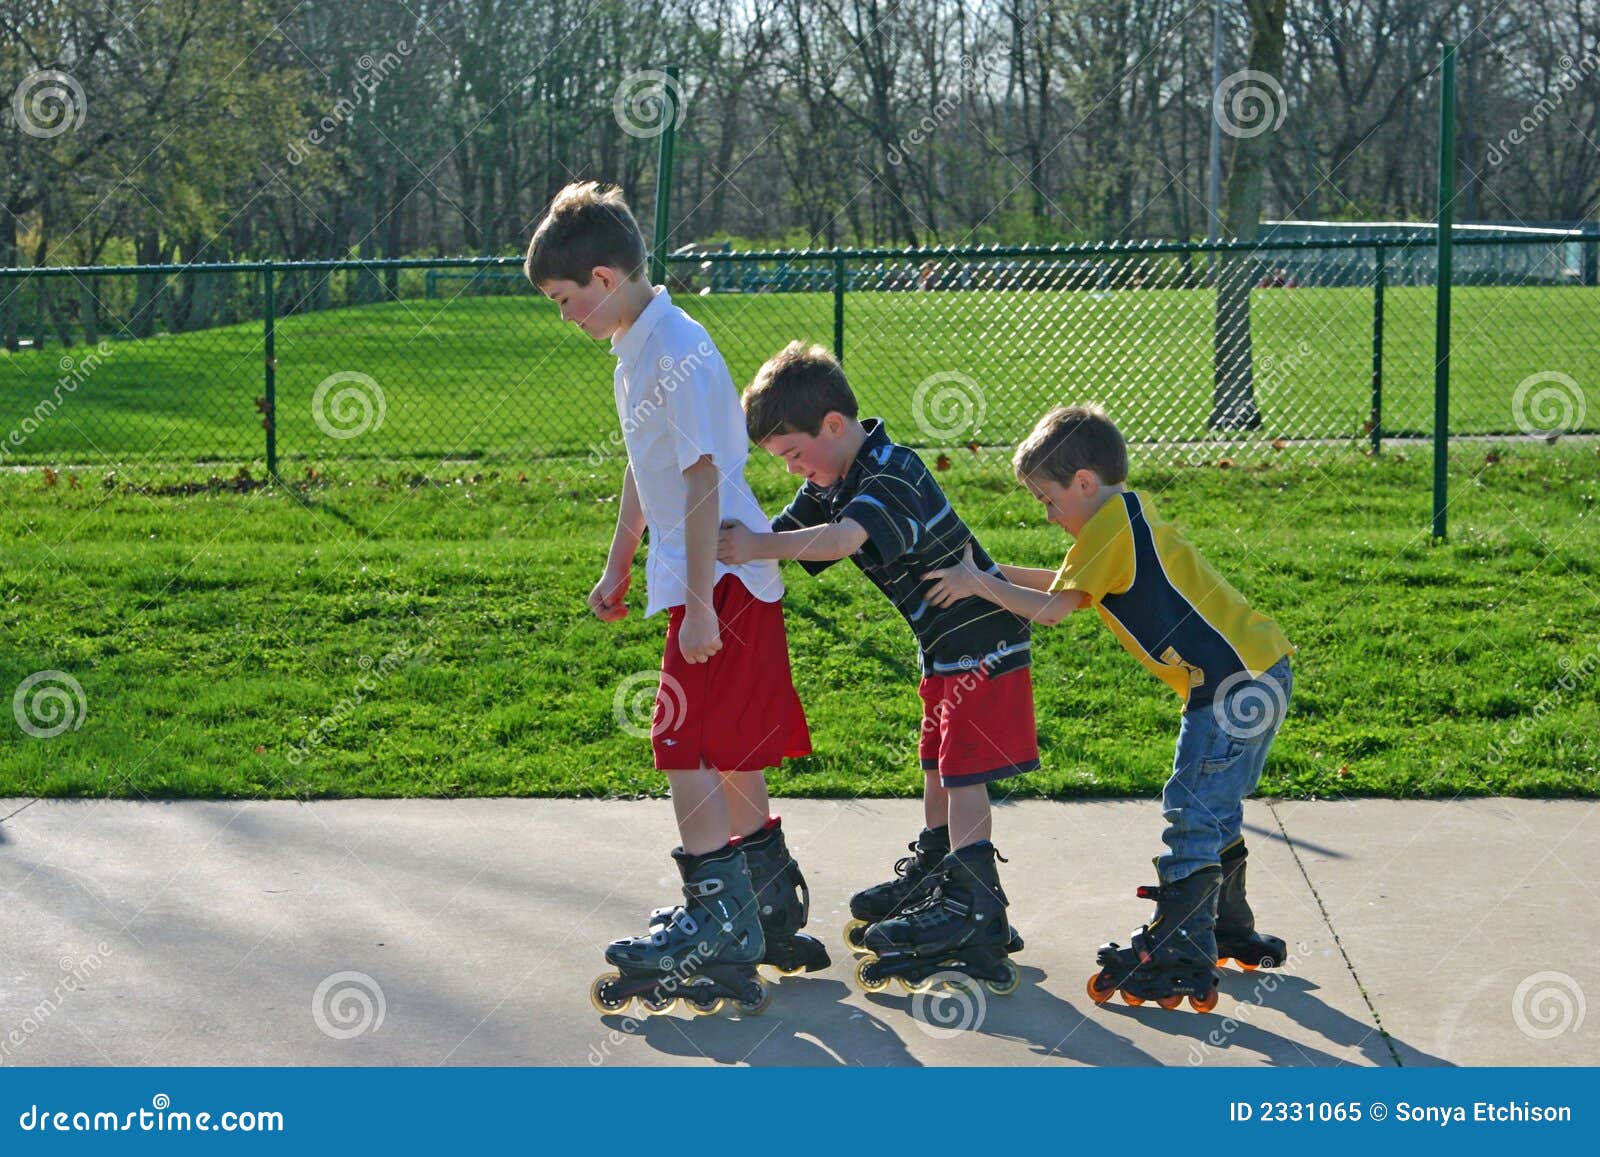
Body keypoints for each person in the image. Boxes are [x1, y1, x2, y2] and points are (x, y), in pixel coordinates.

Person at [525, 182, 825, 1018]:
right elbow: (645, 465)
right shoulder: (641, 346)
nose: (564, 316)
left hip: (718, 582)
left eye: (565, 299)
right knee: (725, 745)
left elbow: (698, 476)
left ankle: (716, 926)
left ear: (606, 274)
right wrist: (619, 560)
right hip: (709, 581)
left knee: (682, 742)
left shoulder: (675, 348)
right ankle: (762, 901)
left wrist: (695, 601)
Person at [920, 404, 1294, 1011]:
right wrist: (984, 571)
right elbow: (1063, 584)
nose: (1048, 513)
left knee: (1192, 811)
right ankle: (1224, 925)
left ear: (1085, 483)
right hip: (1257, 673)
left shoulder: (1109, 531)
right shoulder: (1121, 519)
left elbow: (1056, 609)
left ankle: (1179, 948)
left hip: (1230, 687)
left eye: (1048, 499)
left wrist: (977, 585)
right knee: (1215, 809)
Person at [718, 341, 1031, 996]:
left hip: (982, 639)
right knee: (937, 761)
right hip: (942, 644)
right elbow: (782, 537)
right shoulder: (833, 478)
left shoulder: (890, 471)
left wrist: (752, 545)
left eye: (794, 454)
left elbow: (837, 541)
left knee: (965, 766)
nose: (793, 470)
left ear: (834, 426)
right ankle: (940, 868)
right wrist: (721, 547)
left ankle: (975, 904)